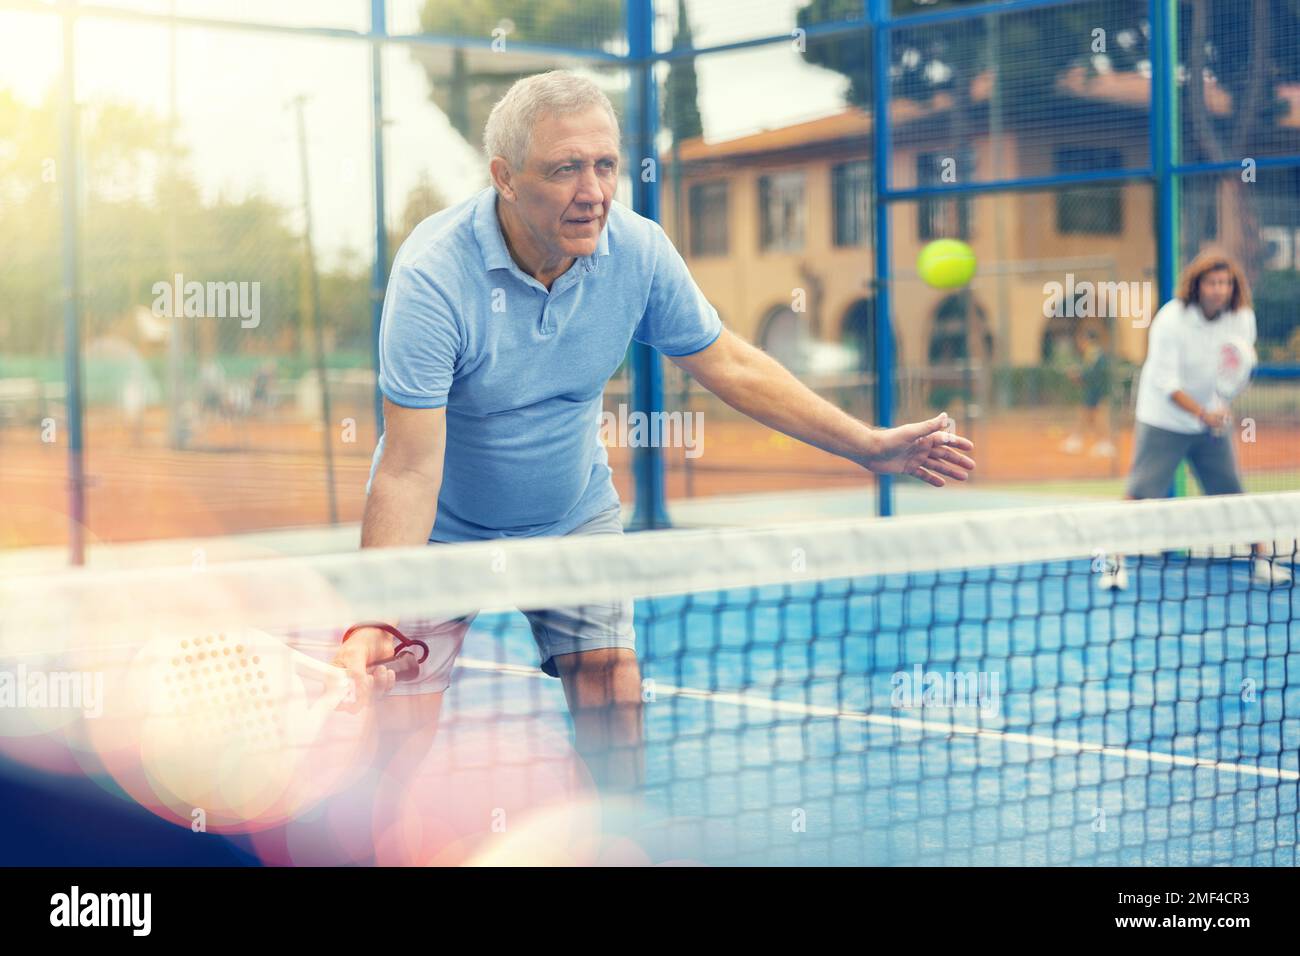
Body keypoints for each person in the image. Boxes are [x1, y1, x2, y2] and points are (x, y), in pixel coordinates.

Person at [334, 71, 977, 791]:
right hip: (443, 531)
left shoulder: (636, 252)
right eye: (565, 168)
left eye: (605, 164)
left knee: (613, 695)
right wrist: (375, 616)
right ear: (505, 179)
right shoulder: (434, 275)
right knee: (392, 754)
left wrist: (867, 443)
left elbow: (732, 362)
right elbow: (408, 468)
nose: (595, 191)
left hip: (571, 514)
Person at [1099, 250, 1289, 590]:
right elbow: (1165, 382)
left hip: (1209, 422)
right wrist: (1202, 412)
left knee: (1231, 495)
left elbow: (1235, 367)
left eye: (1226, 283)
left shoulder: (1242, 317)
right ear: (1197, 285)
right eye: (1212, 282)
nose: (1219, 289)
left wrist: (1218, 407)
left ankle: (1263, 561)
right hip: (1163, 418)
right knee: (1139, 496)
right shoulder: (1171, 319)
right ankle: (1111, 563)